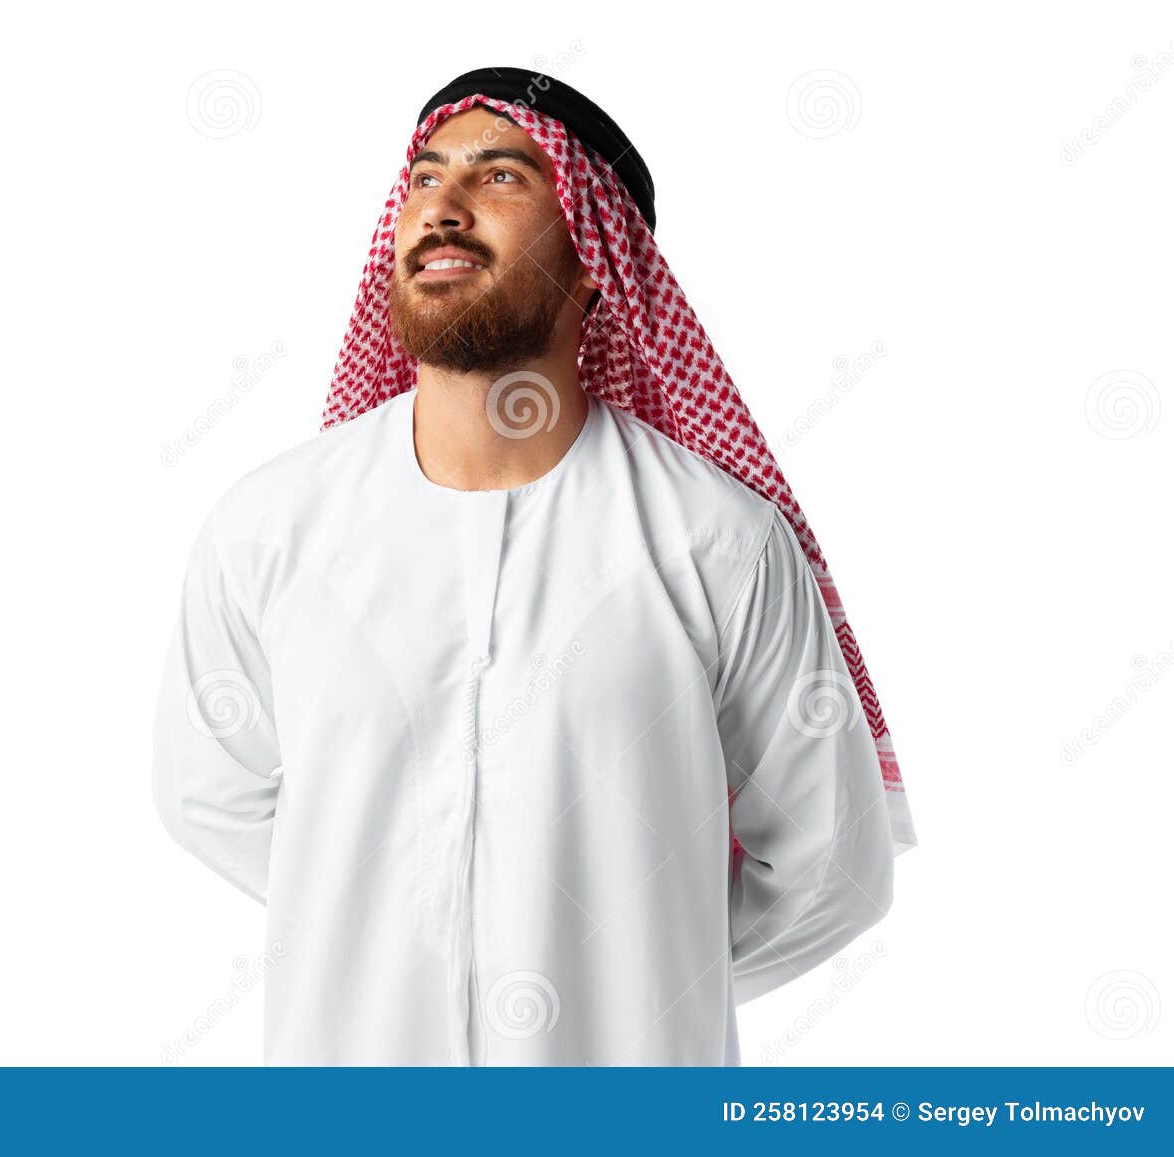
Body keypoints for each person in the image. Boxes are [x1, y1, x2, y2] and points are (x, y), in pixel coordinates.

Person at [152, 67, 918, 1066]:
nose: (443, 209)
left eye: (502, 178)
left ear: (598, 253)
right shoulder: (271, 527)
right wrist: (407, 926)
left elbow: (833, 867)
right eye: (423, 179)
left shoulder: (715, 539)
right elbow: (207, 791)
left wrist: (632, 957)